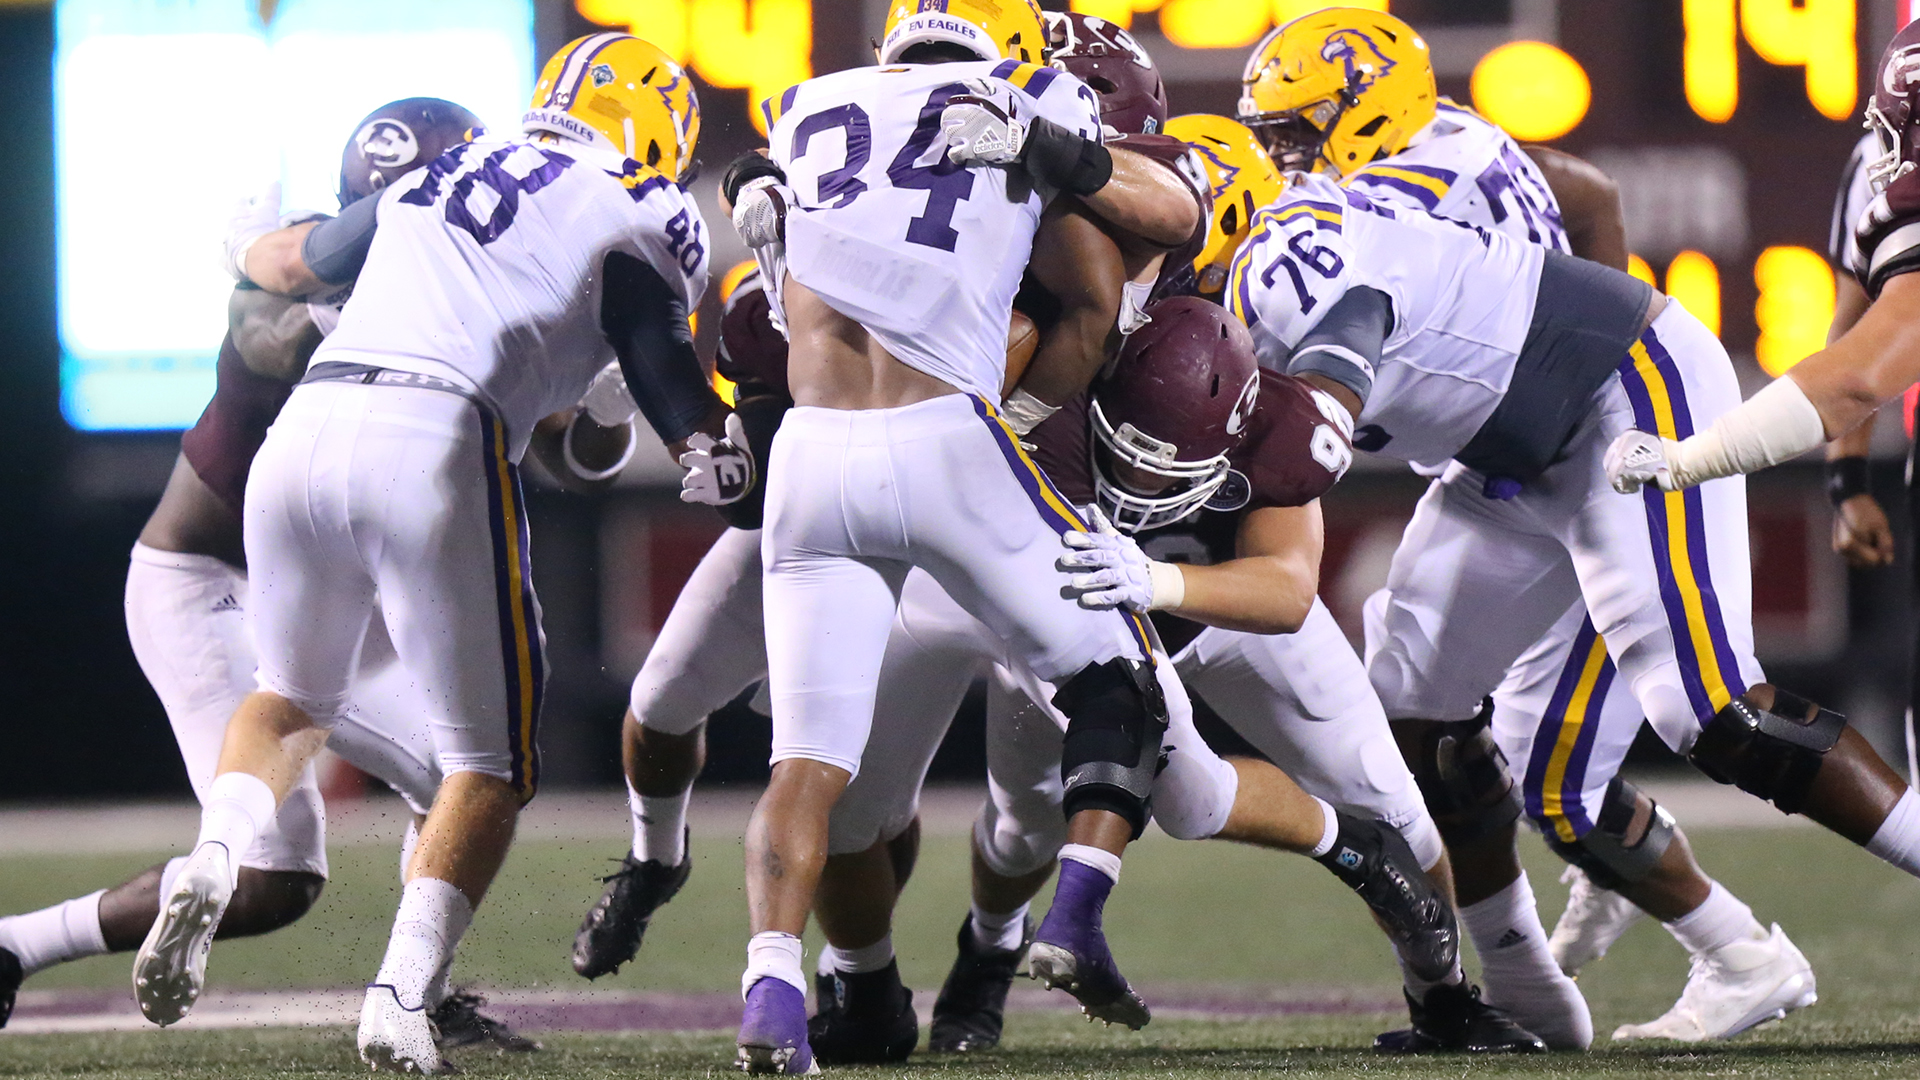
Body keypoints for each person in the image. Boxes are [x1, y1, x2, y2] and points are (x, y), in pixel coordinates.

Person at [1229, 82, 1920, 1058]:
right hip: (1506, 459)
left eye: (1296, 132)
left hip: (1619, 394)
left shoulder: (1348, 218)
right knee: (1413, 709)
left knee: (1712, 712)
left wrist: (1594, 340)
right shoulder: (1330, 213)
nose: (1288, 155)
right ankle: (1524, 991)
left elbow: (1333, 391)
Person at [129, 34, 726, 1073]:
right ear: (656, 127)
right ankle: (402, 999)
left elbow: (284, 262)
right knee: (488, 766)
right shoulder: (648, 204)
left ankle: (215, 854)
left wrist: (237, 239)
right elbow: (607, 418)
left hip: (306, 435)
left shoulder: (454, 166)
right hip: (437, 436)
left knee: (287, 697)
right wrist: (686, 432)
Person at [723, 0, 1249, 1066]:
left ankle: (772, 986)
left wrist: (747, 188)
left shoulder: (809, 103)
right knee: (1121, 684)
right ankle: (1070, 922)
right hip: (947, 437)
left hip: (811, 455)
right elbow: (1178, 212)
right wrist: (1049, 146)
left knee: (807, 762)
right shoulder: (1026, 93)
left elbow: (753, 167)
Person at [0, 99, 533, 1052]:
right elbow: (271, 337)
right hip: (205, 588)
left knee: (466, 773)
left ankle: (422, 988)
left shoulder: (402, 287)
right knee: (279, 881)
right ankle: (13, 946)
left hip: (325, 598)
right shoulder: (290, 286)